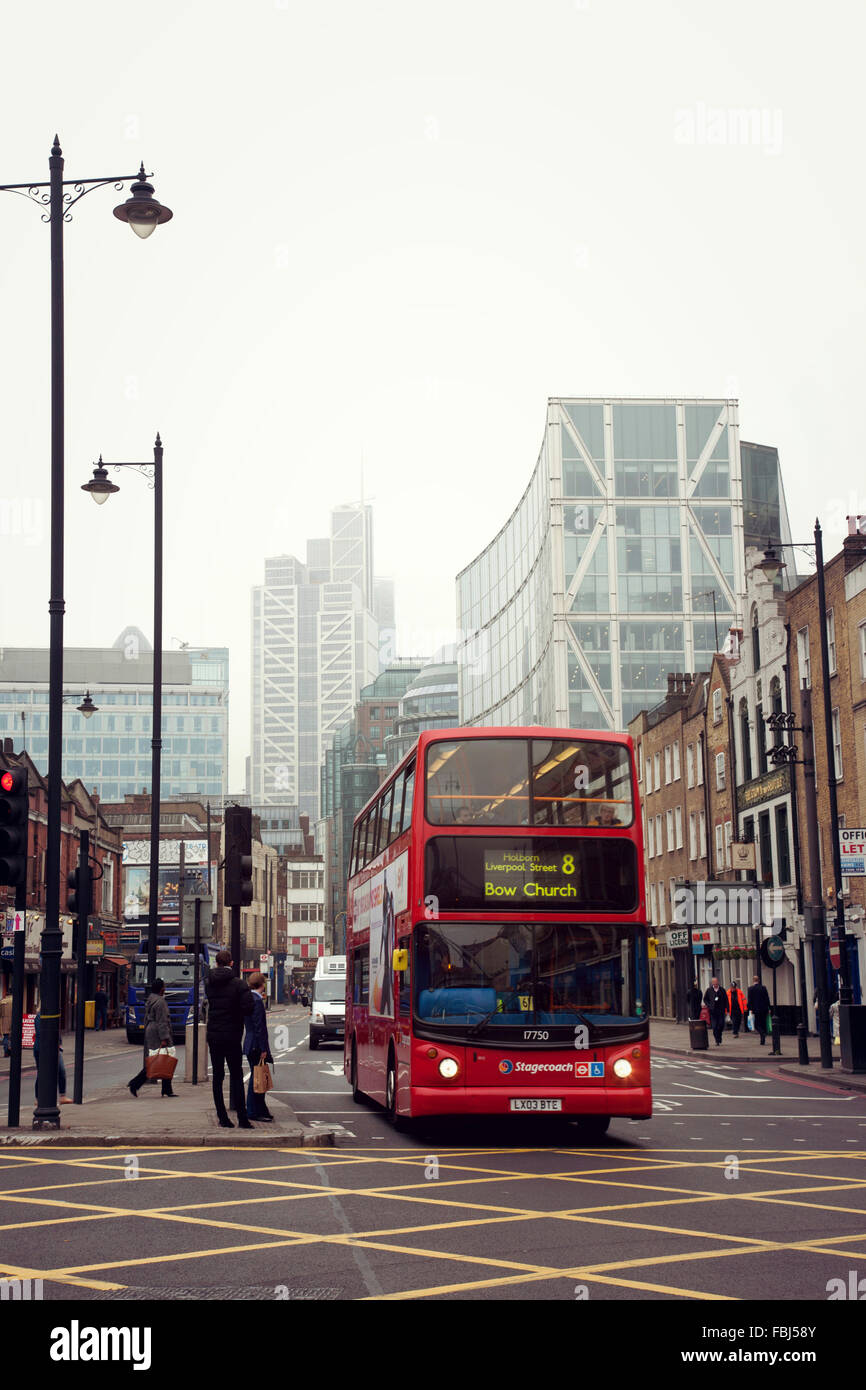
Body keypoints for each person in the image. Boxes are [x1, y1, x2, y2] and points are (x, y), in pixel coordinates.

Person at [206, 949, 254, 1128]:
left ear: (217, 963)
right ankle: (242, 1118)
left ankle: (223, 1118)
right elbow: (249, 1008)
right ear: (231, 963)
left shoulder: (210, 983)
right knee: (236, 1075)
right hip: (233, 1035)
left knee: (217, 1077)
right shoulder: (239, 984)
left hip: (214, 1035)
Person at [128, 979, 176, 1098]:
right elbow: (162, 1021)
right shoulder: (160, 1002)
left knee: (163, 1058)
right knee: (159, 1059)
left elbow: (147, 1018)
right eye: (164, 986)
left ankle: (167, 1089)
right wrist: (164, 1037)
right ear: (161, 989)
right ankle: (135, 1083)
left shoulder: (151, 999)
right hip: (158, 1032)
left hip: (151, 1029)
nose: (165, 988)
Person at [244, 971, 274, 1121]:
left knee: (259, 1077)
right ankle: (252, 1111)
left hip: (250, 1043)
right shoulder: (256, 1001)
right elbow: (259, 1027)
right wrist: (263, 1049)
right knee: (256, 1079)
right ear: (262, 984)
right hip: (256, 1045)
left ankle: (261, 1109)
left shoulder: (249, 998)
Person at [33, 1010, 72, 1104]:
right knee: (42, 1073)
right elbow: (41, 1033)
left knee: (61, 1070)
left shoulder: (53, 1015)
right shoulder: (39, 1016)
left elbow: (56, 1032)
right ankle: (38, 1099)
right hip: (41, 1049)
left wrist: (59, 1044)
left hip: (55, 1048)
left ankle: (62, 1096)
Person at [703, 977, 729, 1046]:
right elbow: (705, 999)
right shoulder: (709, 990)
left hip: (721, 1011)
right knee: (714, 1027)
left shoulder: (722, 990)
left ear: (718, 982)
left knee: (721, 1025)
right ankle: (717, 1040)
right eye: (714, 983)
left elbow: (726, 1000)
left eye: (716, 982)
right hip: (713, 1012)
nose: (715, 984)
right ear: (712, 983)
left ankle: (719, 1036)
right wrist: (709, 1005)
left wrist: (728, 1010)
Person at [747, 974, 771, 1046]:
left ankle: (762, 1033)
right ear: (759, 980)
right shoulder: (763, 988)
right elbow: (767, 998)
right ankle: (762, 1039)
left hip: (755, 1009)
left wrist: (750, 1009)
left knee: (757, 1024)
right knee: (763, 1023)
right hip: (764, 1009)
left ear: (753, 981)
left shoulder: (750, 989)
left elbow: (750, 1000)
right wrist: (769, 1008)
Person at [0, 988, 13, 1057]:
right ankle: (11, 1050)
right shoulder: (14, 1001)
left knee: (5, 1036)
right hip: (13, 1020)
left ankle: (6, 1051)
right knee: (12, 1037)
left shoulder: (2, 1001)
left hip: (4, 1021)